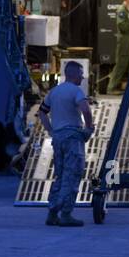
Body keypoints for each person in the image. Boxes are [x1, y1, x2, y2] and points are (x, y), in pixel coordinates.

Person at [38, 60, 94, 227]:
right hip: (72, 138)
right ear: (74, 74)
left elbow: (42, 112)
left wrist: (51, 130)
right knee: (73, 174)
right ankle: (66, 214)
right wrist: (89, 128)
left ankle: (52, 213)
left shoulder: (54, 92)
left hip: (58, 138)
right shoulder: (76, 91)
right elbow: (85, 109)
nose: (83, 77)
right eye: (81, 74)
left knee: (60, 176)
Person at [106, 0, 129, 94]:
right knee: (121, 65)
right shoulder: (122, 10)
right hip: (125, 42)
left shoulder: (128, 10)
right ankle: (111, 88)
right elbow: (122, 26)